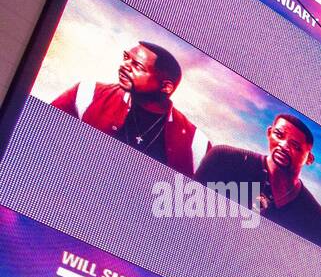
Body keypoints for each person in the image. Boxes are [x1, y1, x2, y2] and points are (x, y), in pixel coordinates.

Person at [51, 41, 209, 176]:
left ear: (166, 87)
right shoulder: (87, 93)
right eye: (126, 58)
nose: (124, 65)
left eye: (137, 65)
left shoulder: (196, 143)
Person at [195, 113, 321, 251]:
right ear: (269, 133)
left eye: (296, 146)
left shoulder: (319, 223)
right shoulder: (223, 160)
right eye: (279, 135)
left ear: (309, 159)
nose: (284, 145)